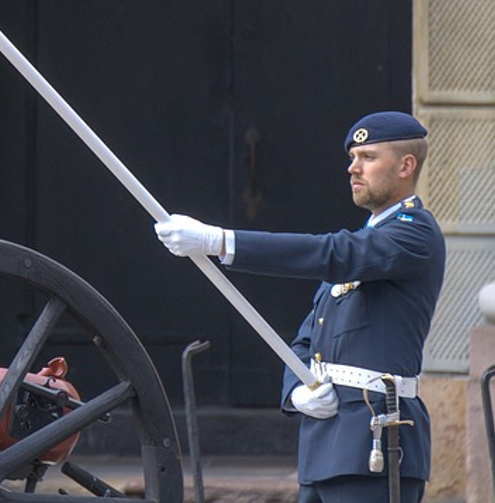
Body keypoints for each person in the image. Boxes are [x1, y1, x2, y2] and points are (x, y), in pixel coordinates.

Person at [154, 111, 445, 503]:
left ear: (405, 166)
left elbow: (331, 253)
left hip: (373, 444)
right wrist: (295, 392)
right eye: (353, 157)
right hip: (322, 447)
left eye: (368, 157)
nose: (353, 167)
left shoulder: (414, 232)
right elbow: (306, 340)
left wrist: (221, 241)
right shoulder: (364, 245)